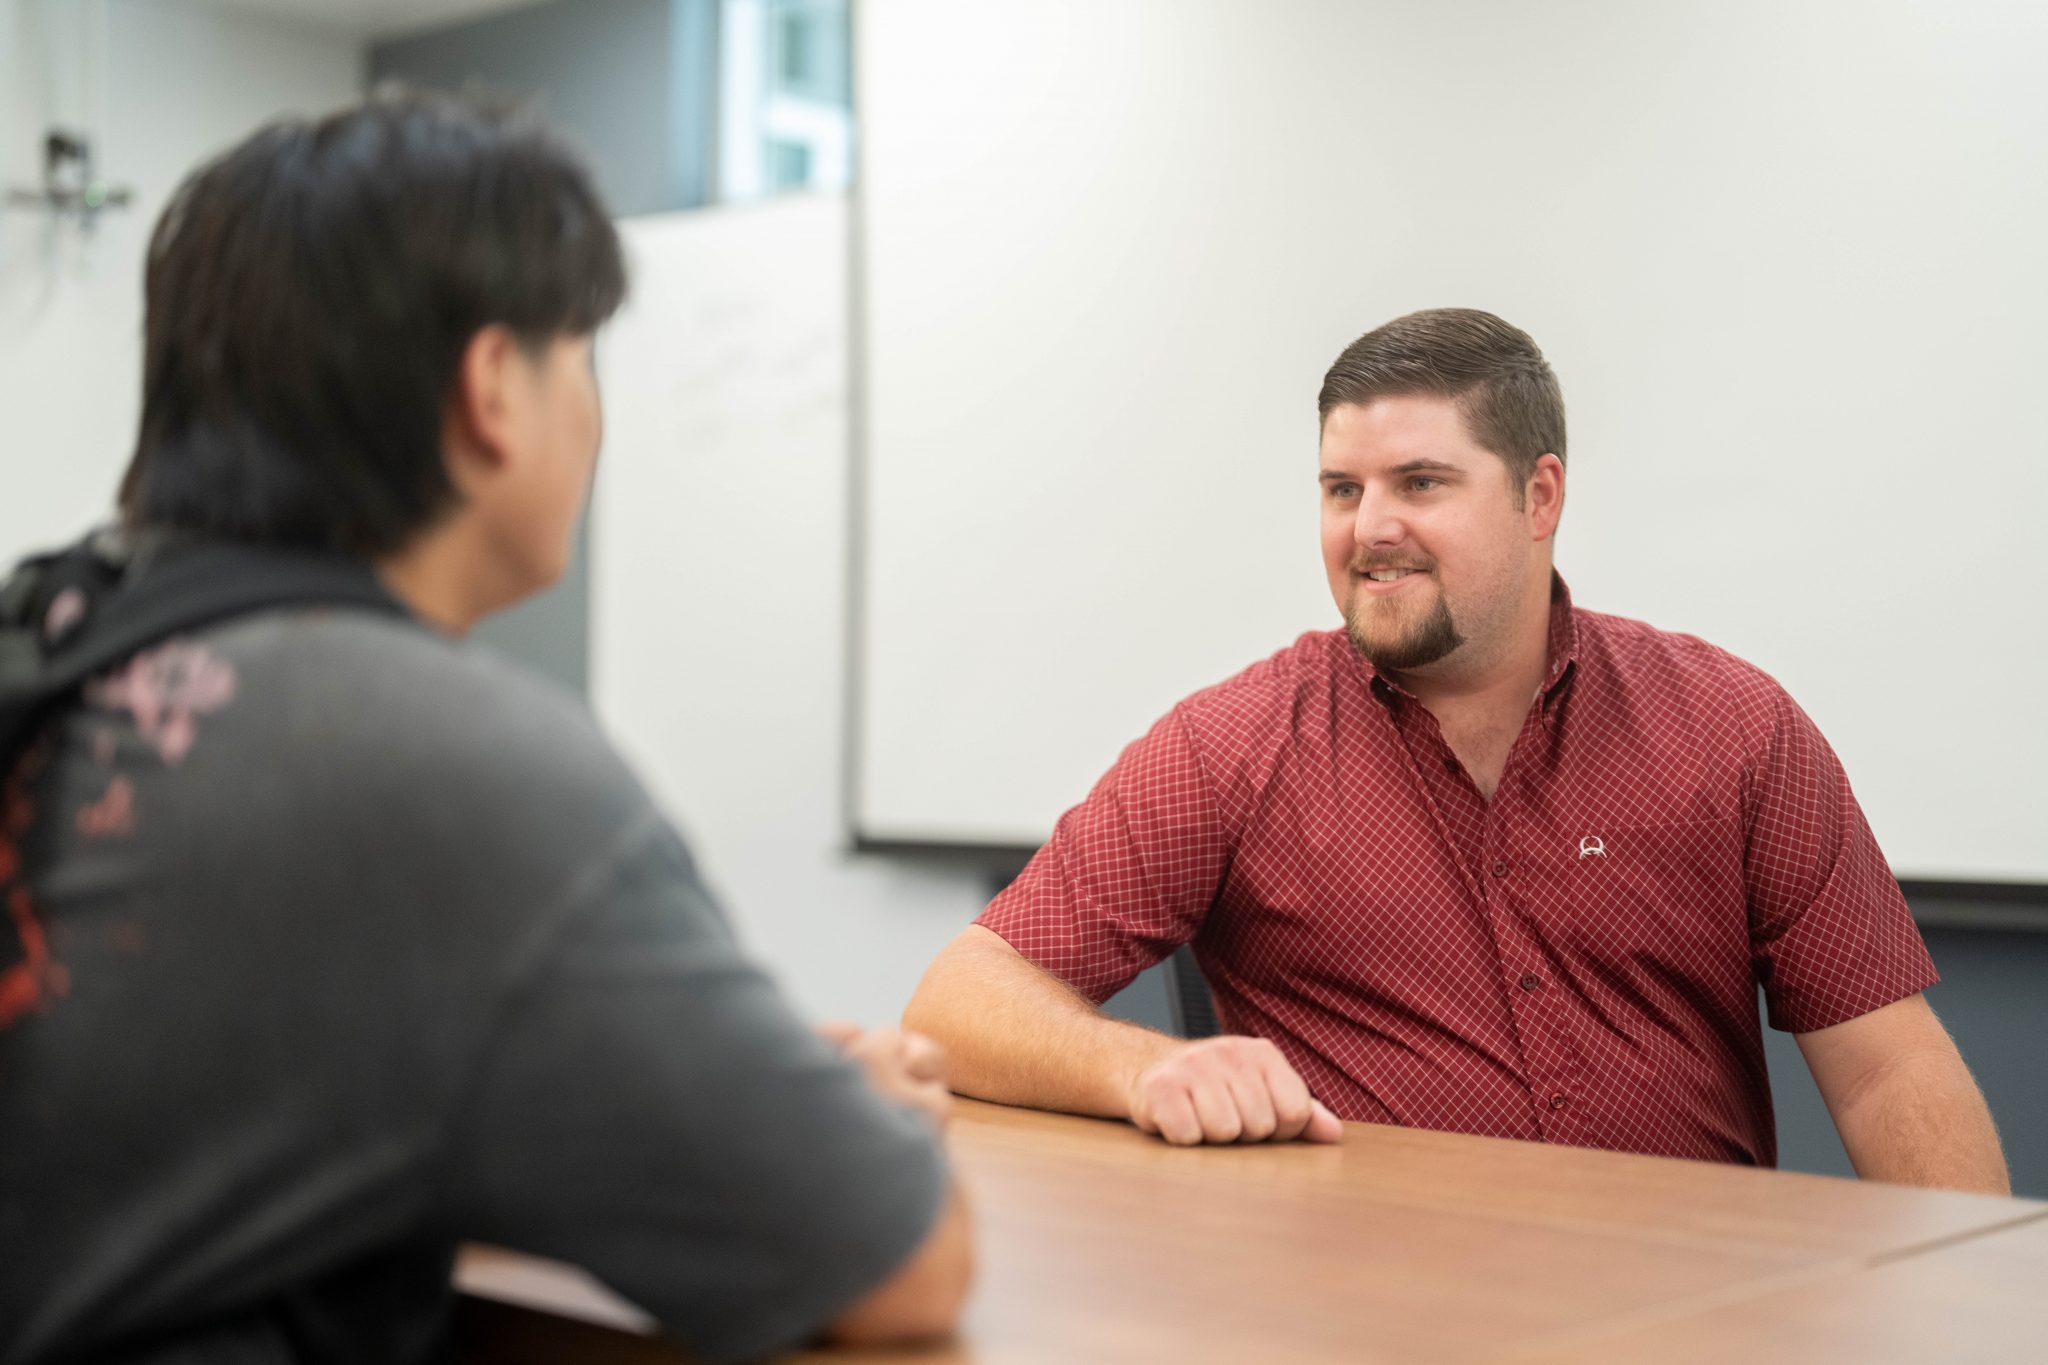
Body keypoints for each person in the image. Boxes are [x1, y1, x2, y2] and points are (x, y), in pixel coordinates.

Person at [0, 93, 970, 1364]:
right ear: (493, 388)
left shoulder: (48, 637)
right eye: (582, 358)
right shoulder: (452, 769)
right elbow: (899, 1262)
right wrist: (831, 1114)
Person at [904, 308, 2009, 1194]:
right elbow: (962, 1000)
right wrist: (1146, 1066)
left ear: (1539, 496)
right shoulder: (1232, 748)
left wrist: (1976, 1316)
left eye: (1419, 483)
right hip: (1371, 1309)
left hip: (1694, 1303)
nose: (1369, 528)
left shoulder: (1730, 729)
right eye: (1342, 490)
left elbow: (1886, 1073)